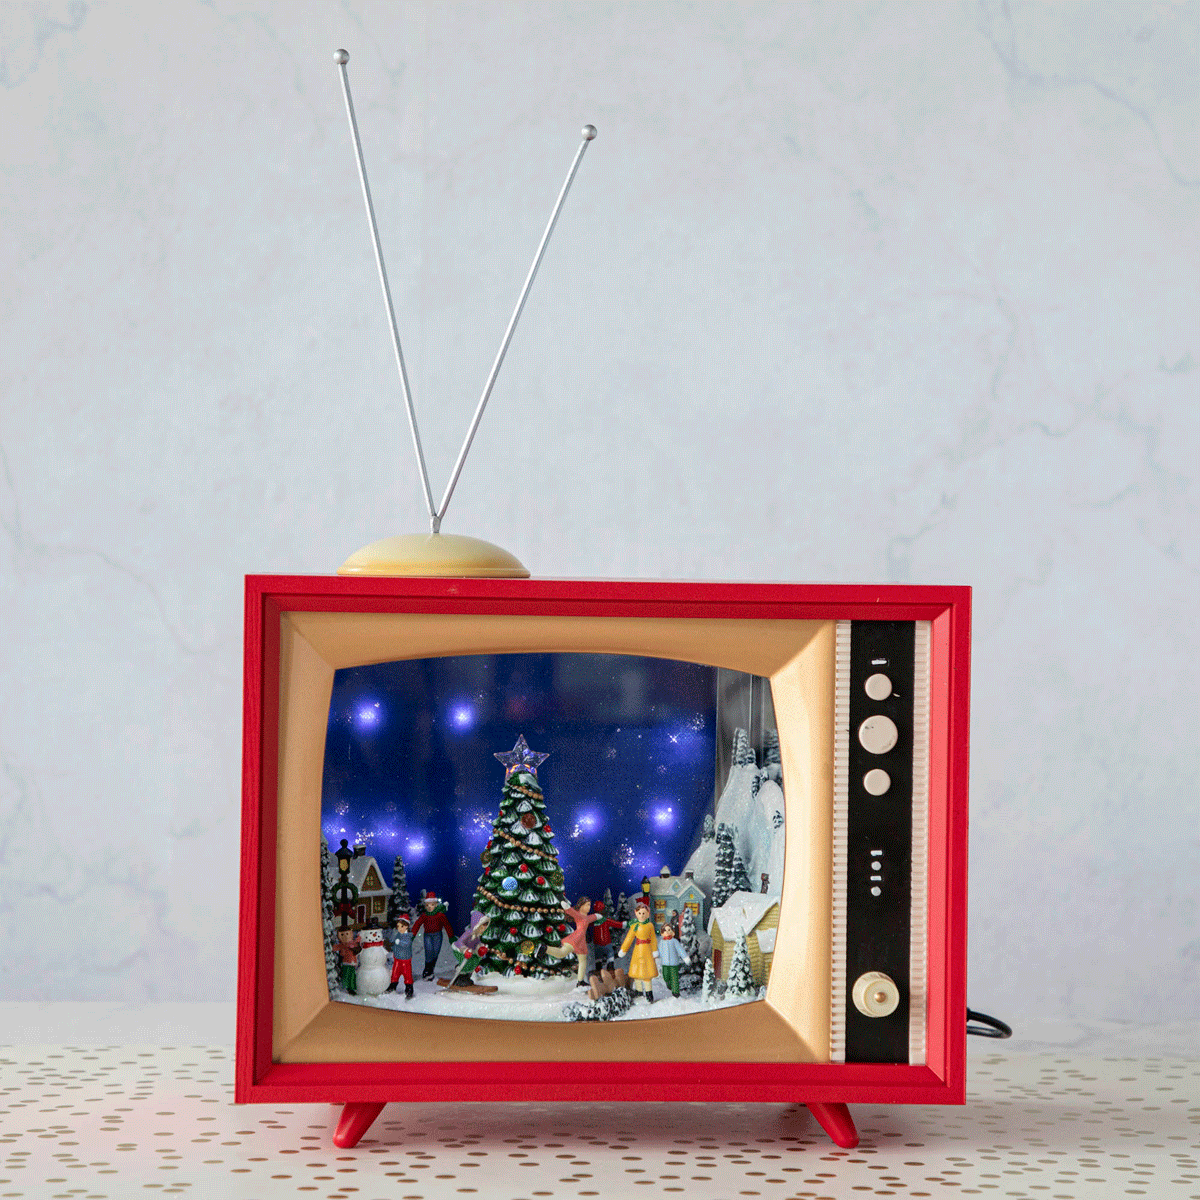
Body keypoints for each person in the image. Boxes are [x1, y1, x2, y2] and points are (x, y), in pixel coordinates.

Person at [544, 895, 601, 985]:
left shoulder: (586, 917)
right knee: (562, 953)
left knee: (583, 961)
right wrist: (566, 907)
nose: (589, 907)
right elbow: (572, 912)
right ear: (581, 906)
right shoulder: (579, 915)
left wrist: (597, 916)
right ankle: (545, 948)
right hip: (576, 939)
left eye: (590, 905)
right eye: (587, 905)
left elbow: (590, 918)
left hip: (581, 941)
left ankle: (580, 981)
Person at [618, 899, 659, 1002]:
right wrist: (623, 949)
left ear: (648, 913)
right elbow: (629, 938)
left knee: (647, 973)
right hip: (638, 950)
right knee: (637, 972)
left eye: (644, 913)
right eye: (639, 913)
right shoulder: (635, 926)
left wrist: (654, 950)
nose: (641, 915)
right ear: (636, 913)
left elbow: (653, 939)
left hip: (647, 950)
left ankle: (649, 993)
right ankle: (639, 991)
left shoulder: (650, 926)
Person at [410, 893, 455, 980]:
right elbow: (417, 924)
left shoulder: (440, 915)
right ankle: (427, 969)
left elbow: (447, 925)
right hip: (427, 935)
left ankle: (431, 970)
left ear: (436, 905)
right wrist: (412, 935)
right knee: (429, 951)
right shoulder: (425, 916)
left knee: (435, 952)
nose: (429, 907)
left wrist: (451, 937)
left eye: (432, 905)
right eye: (427, 905)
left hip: (438, 935)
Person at [447, 911, 492, 986]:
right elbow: (460, 942)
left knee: (475, 960)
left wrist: (480, 948)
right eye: (482, 926)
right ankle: (460, 978)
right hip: (459, 950)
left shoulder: (477, 934)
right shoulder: (469, 933)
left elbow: (477, 943)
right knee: (466, 963)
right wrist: (465, 950)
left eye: (485, 926)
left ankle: (467, 977)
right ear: (477, 925)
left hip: (470, 952)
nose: (484, 928)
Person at [657, 921, 692, 997]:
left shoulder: (674, 941)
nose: (667, 932)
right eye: (665, 930)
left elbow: (680, 950)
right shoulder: (661, 942)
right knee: (666, 976)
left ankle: (676, 992)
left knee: (674, 978)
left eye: (669, 930)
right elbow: (659, 951)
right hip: (665, 963)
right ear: (662, 933)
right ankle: (669, 984)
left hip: (674, 963)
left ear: (672, 932)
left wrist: (685, 958)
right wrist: (656, 954)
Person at [384, 916, 415, 999]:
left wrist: (399, 942)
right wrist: (391, 946)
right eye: (398, 926)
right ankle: (392, 986)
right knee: (395, 973)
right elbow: (395, 945)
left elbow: (407, 944)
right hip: (397, 959)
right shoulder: (398, 935)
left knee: (407, 974)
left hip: (405, 960)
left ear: (406, 926)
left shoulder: (408, 936)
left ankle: (409, 989)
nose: (399, 928)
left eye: (402, 926)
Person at [589, 902, 625, 970]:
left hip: (602, 944)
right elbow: (617, 924)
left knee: (604, 957)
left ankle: (605, 969)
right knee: (607, 956)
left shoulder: (600, 921)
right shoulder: (600, 921)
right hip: (603, 944)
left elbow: (617, 924)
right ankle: (605, 969)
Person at [334, 926, 361, 995]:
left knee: (352, 975)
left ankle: (352, 987)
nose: (345, 936)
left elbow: (358, 944)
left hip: (353, 962)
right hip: (346, 962)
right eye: (342, 935)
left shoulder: (353, 943)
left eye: (347, 934)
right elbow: (335, 948)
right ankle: (348, 988)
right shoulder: (342, 945)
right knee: (347, 975)